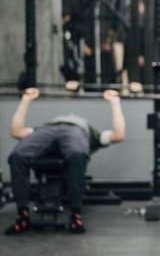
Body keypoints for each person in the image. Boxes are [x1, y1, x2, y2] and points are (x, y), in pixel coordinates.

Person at [5, 87, 126, 235]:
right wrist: (25, 100)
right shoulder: (45, 127)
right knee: (17, 155)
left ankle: (75, 214)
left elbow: (119, 135)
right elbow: (16, 131)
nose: (70, 115)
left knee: (76, 154)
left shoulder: (92, 133)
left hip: (77, 131)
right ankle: (22, 215)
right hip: (47, 130)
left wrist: (115, 102)